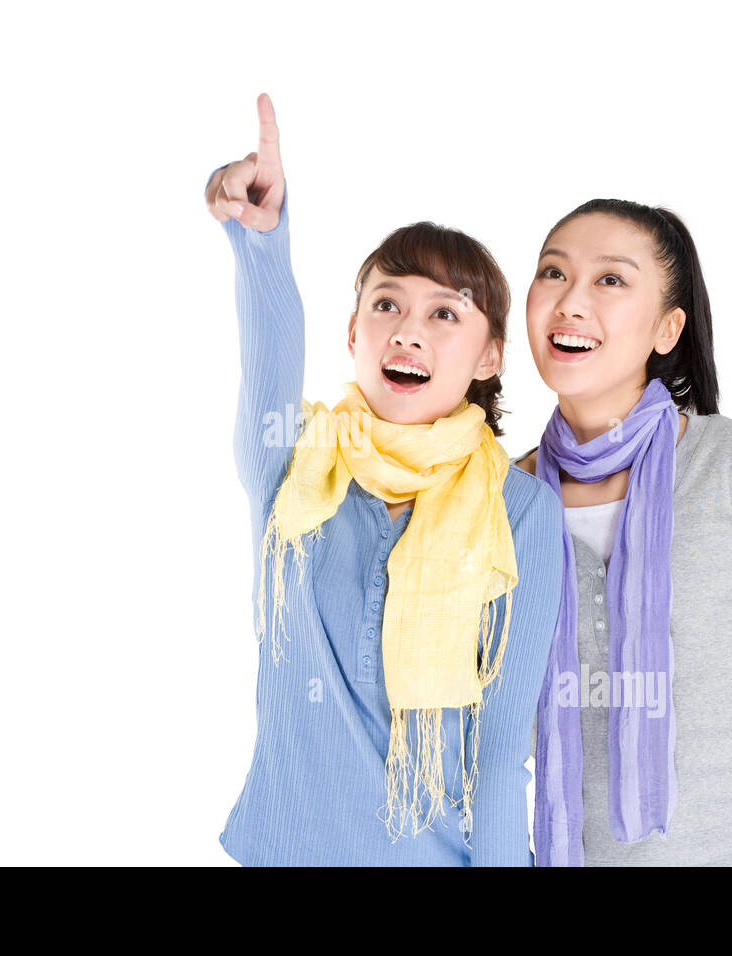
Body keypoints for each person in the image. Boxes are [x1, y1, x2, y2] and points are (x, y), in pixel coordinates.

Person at [204, 94, 563, 865]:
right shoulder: (295, 464)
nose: (407, 328)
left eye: (445, 314)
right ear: (354, 333)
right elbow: (268, 351)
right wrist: (260, 242)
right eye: (387, 303)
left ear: (490, 356)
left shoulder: (521, 510)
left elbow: (501, 753)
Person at [518, 199, 732, 866]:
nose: (570, 301)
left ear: (667, 328)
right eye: (553, 273)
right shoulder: (502, 498)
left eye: (611, 280)